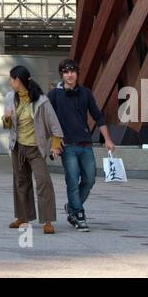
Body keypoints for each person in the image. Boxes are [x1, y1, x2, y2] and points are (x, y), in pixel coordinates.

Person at [47, 58, 115, 232]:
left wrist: (107, 139)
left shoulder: (85, 93)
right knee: (72, 180)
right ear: (62, 74)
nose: (70, 75)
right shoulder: (54, 94)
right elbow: (47, 118)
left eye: (73, 71)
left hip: (85, 144)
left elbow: (98, 116)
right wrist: (55, 140)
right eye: (66, 72)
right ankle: (79, 214)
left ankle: (71, 206)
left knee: (90, 179)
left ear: (77, 73)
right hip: (67, 145)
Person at [3, 65, 64, 234]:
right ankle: (23, 217)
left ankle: (48, 220)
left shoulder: (41, 101)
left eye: (11, 79)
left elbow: (54, 126)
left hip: (36, 149)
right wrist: (7, 118)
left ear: (18, 80)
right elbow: (7, 126)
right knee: (21, 182)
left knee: (43, 182)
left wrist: (55, 146)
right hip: (17, 148)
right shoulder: (10, 98)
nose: (10, 82)